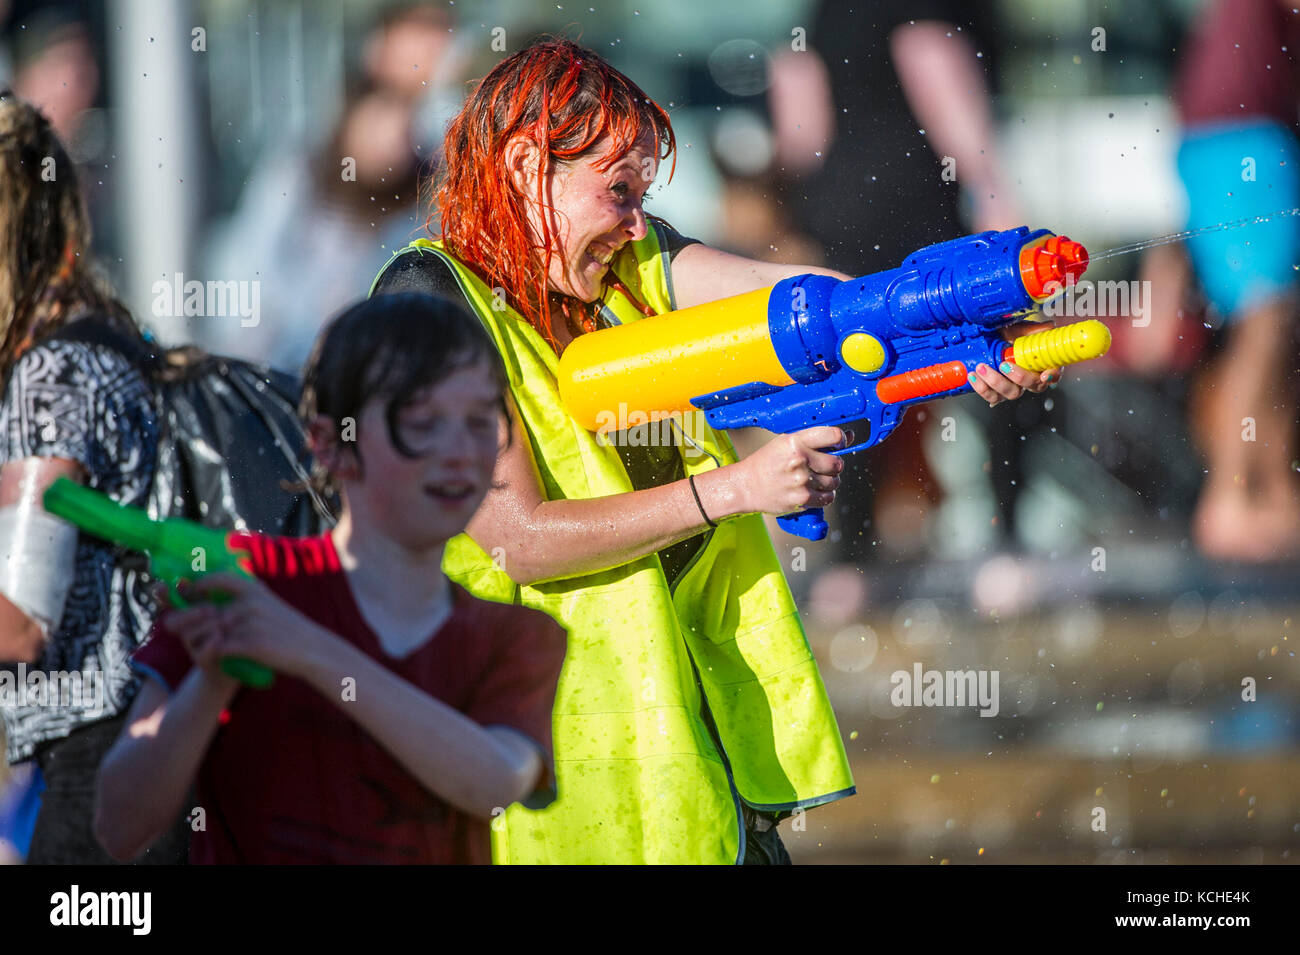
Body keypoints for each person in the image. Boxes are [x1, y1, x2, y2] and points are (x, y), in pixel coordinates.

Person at [371, 37, 1058, 864]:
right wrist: (737, 488)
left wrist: (964, 333)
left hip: (695, 780)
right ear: (524, 166)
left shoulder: (631, 264)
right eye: (616, 191)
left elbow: (822, 306)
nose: (634, 224)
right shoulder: (428, 303)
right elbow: (518, 539)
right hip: (538, 799)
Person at [94, 293, 567, 864]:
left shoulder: (513, 635)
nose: (458, 454)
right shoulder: (245, 583)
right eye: (422, 425)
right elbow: (119, 828)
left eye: (479, 423)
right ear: (327, 443)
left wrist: (305, 649)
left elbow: (494, 783)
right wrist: (212, 679)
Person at [0, 90, 187, 864]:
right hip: (143, 746)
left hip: (107, 767)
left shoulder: (56, 373)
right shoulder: (104, 339)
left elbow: (19, 621)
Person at [1171, 0, 1300, 561]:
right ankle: (1229, 498)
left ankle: (1271, 494)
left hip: (1238, 131)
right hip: (1242, 133)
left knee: (1275, 323)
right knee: (1266, 315)